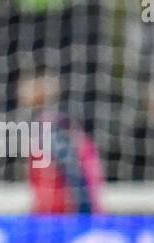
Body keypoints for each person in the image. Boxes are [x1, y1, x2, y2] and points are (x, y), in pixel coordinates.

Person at [19, 66, 104, 215]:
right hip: (57, 215)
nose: (20, 90)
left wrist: (84, 216)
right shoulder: (54, 123)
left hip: (65, 217)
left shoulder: (51, 127)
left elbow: (75, 174)